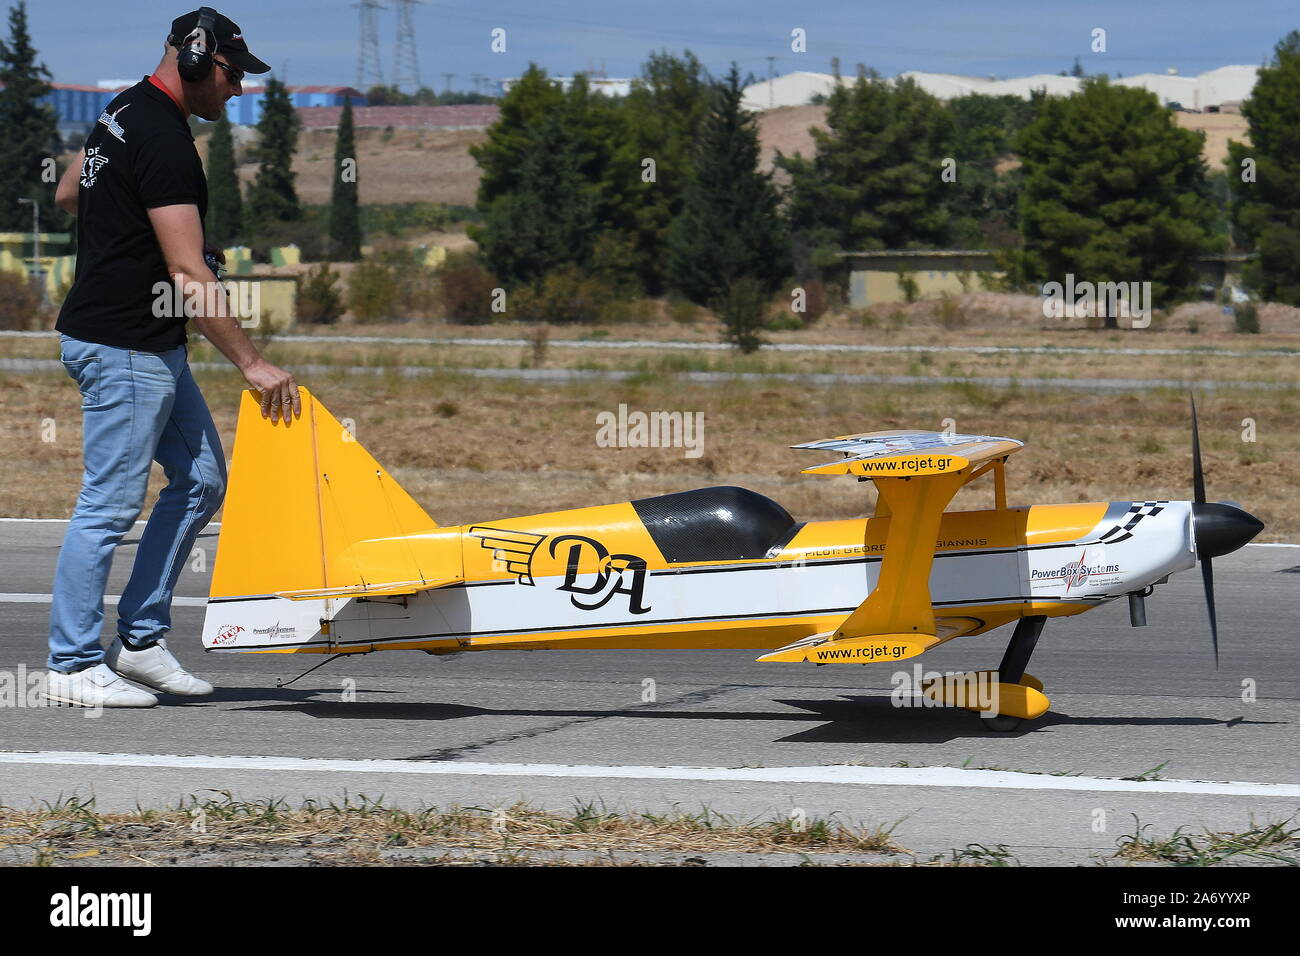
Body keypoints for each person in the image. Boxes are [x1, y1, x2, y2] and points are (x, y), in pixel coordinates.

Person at [45, 8, 300, 708]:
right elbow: (190, 275)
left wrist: (128, 233)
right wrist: (252, 362)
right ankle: (67, 666)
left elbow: (70, 192)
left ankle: (140, 641)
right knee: (108, 504)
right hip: (122, 343)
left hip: (146, 343)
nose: (240, 89)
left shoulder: (122, 110)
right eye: (234, 73)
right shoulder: (164, 137)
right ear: (196, 60)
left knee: (201, 480)